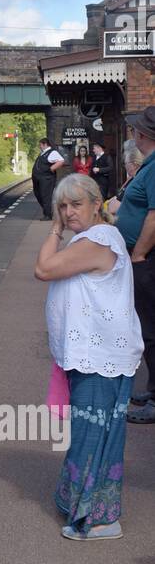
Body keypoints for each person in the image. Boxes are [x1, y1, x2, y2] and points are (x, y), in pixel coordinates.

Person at [35, 174, 143, 538]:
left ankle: (99, 519)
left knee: (93, 436)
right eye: (62, 207)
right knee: (90, 432)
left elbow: (43, 269)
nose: (67, 213)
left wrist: (53, 230)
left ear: (96, 203)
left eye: (75, 204)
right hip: (94, 354)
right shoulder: (94, 238)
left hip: (100, 357)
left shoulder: (99, 239)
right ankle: (79, 504)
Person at [114, 107, 155, 423]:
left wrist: (138, 254)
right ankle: (152, 388)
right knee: (148, 327)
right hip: (144, 258)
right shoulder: (150, 165)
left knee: (152, 329)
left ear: (143, 135)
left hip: (148, 260)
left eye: (135, 131)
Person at [31, 137, 68, 220]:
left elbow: (61, 161)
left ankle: (47, 215)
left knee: (46, 196)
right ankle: (48, 211)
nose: (39, 146)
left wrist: (51, 168)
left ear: (45, 144)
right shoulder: (43, 153)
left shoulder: (52, 152)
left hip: (46, 178)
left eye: (40, 145)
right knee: (38, 194)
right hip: (39, 179)